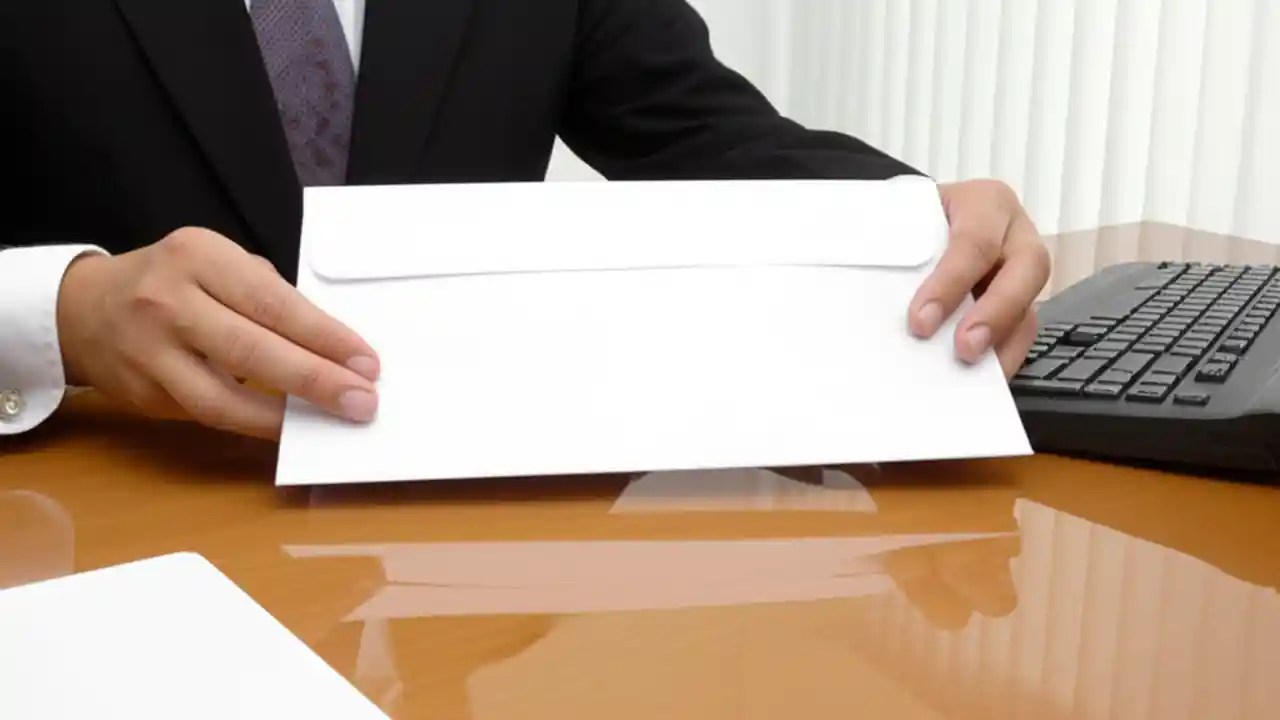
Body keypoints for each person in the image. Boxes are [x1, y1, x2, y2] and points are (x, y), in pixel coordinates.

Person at [0, 0, 1049, 441]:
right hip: (97, 539)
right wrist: (66, 313)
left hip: (461, 561)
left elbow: (707, 137)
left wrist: (919, 217)